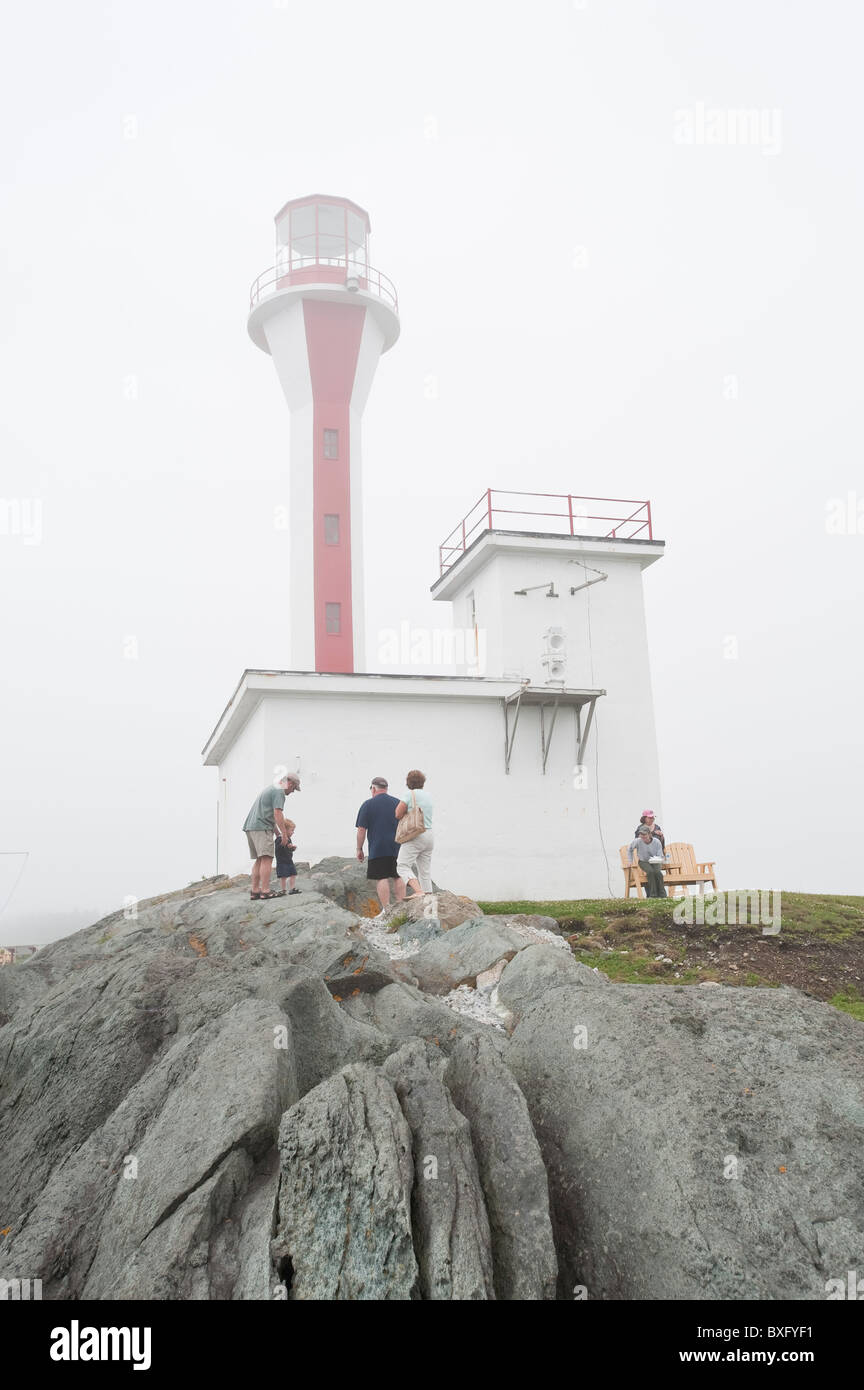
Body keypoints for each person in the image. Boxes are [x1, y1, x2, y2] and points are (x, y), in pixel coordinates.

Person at [242, 772, 300, 900]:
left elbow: (269, 815)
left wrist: (278, 834)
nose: (292, 791)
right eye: (294, 788)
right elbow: (277, 813)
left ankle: (255, 890)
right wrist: (285, 835)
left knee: (259, 859)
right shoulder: (279, 791)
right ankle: (266, 890)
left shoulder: (271, 788)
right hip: (262, 828)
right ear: (289, 783)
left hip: (251, 827)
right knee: (267, 858)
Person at [355, 776, 406, 915]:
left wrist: (359, 849)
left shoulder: (368, 805)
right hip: (397, 846)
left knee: (382, 877)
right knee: (398, 875)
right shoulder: (398, 803)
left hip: (378, 847)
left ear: (373, 788)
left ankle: (387, 909)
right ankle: (402, 907)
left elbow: (361, 830)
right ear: (386, 788)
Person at [395, 769, 435, 896]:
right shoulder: (428, 795)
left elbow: (397, 813)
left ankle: (418, 892)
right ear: (423, 782)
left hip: (415, 834)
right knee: (425, 871)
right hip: (429, 834)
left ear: (408, 782)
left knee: (402, 866)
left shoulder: (409, 795)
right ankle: (428, 897)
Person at [629, 824, 667, 898]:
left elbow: (660, 855)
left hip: (655, 861)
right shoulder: (637, 841)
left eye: (644, 834)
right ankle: (653, 895)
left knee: (658, 873)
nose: (642, 836)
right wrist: (630, 861)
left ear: (649, 834)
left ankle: (663, 895)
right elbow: (630, 849)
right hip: (643, 861)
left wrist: (658, 859)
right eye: (641, 834)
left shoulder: (656, 842)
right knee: (650, 872)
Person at [274, 829, 300, 896]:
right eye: (292, 830)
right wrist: (283, 845)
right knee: (283, 876)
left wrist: (292, 848)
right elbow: (277, 849)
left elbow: (288, 849)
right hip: (282, 861)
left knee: (293, 874)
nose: (293, 832)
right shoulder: (279, 838)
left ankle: (292, 889)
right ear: (286, 830)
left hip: (289, 860)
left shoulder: (289, 839)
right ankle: (283, 890)